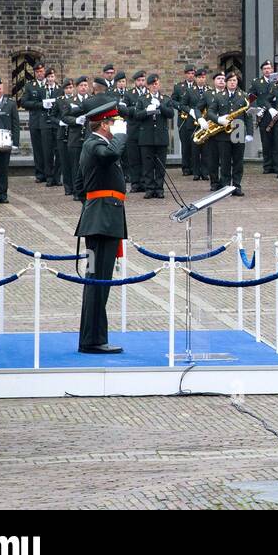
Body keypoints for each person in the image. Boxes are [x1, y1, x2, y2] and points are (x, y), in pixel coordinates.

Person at [75, 95, 129, 354]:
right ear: (105, 125)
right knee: (98, 280)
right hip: (102, 222)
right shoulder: (95, 144)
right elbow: (111, 153)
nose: (118, 125)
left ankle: (92, 337)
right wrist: (120, 136)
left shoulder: (95, 144)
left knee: (98, 280)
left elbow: (78, 185)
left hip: (101, 219)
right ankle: (93, 340)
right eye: (114, 122)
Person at [132, 74, 174, 199]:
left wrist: (160, 105)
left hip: (161, 137)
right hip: (146, 136)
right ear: (148, 86)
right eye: (152, 84)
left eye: (156, 84)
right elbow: (137, 115)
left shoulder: (165, 99)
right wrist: (147, 111)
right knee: (147, 164)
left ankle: (159, 188)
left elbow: (171, 114)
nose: (155, 86)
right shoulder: (142, 99)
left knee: (160, 165)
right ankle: (149, 188)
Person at [19, 63, 51, 183]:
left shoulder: (49, 85)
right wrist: (39, 105)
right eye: (37, 72)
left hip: (47, 121)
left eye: (41, 71)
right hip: (35, 120)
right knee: (37, 149)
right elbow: (23, 102)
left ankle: (49, 173)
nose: (40, 73)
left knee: (47, 148)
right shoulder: (30, 86)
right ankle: (40, 174)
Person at [250, 61, 278, 175]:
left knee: (277, 141)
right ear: (262, 70)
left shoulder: (276, 81)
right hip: (263, 115)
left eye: (269, 68)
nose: (267, 70)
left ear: (272, 70)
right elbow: (251, 96)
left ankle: (277, 165)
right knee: (266, 141)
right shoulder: (257, 82)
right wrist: (256, 109)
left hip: (276, 113)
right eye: (265, 68)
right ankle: (267, 166)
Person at [172, 66, 197, 176]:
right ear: (185, 74)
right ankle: (186, 167)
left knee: (195, 144)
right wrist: (180, 107)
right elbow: (173, 100)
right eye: (189, 73)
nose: (191, 75)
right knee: (185, 144)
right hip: (183, 119)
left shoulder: (199, 87)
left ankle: (195, 167)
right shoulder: (179, 87)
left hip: (196, 119)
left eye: (192, 73)